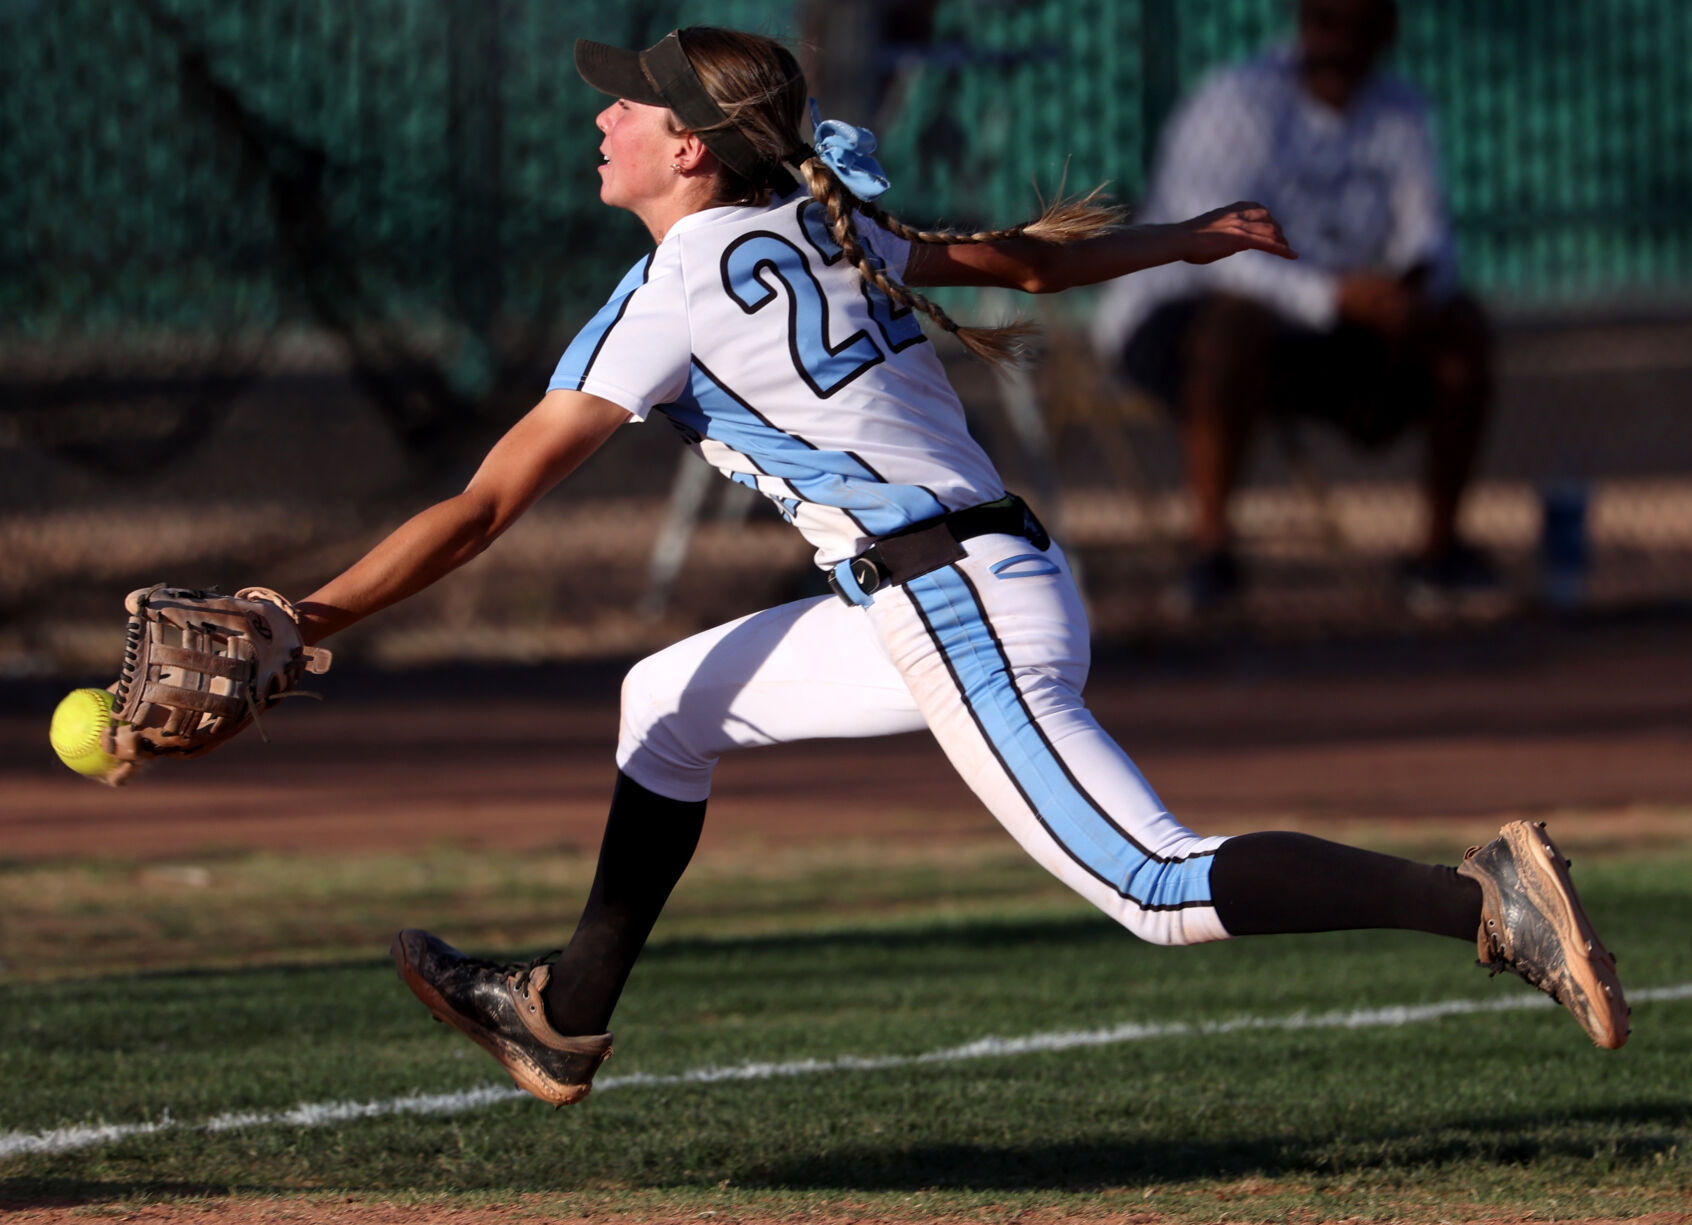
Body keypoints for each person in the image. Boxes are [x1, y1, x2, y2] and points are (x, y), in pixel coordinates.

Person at [286, 27, 1625, 1108]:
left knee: (1158, 889)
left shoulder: (673, 291)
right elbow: (1023, 266)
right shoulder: (824, 221)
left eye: (630, 107)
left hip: (952, 605)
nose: (606, 120)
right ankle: (565, 1016)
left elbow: (483, 506)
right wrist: (1184, 236)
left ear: (687, 148)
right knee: (662, 704)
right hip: (954, 582)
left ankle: (1477, 902)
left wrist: (304, 616)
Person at [1091, 0, 1495, 614]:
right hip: (1181, 315)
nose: (1338, 41)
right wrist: (1332, 296)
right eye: (1325, 21)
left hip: (1328, 324)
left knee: (1461, 328)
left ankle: (1438, 558)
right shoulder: (1235, 100)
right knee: (1236, 326)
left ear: (1386, 30)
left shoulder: (1402, 110)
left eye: (1358, 25)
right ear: (1303, 22)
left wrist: (1408, 288)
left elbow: (1428, 231)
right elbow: (1214, 245)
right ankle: (1211, 556)